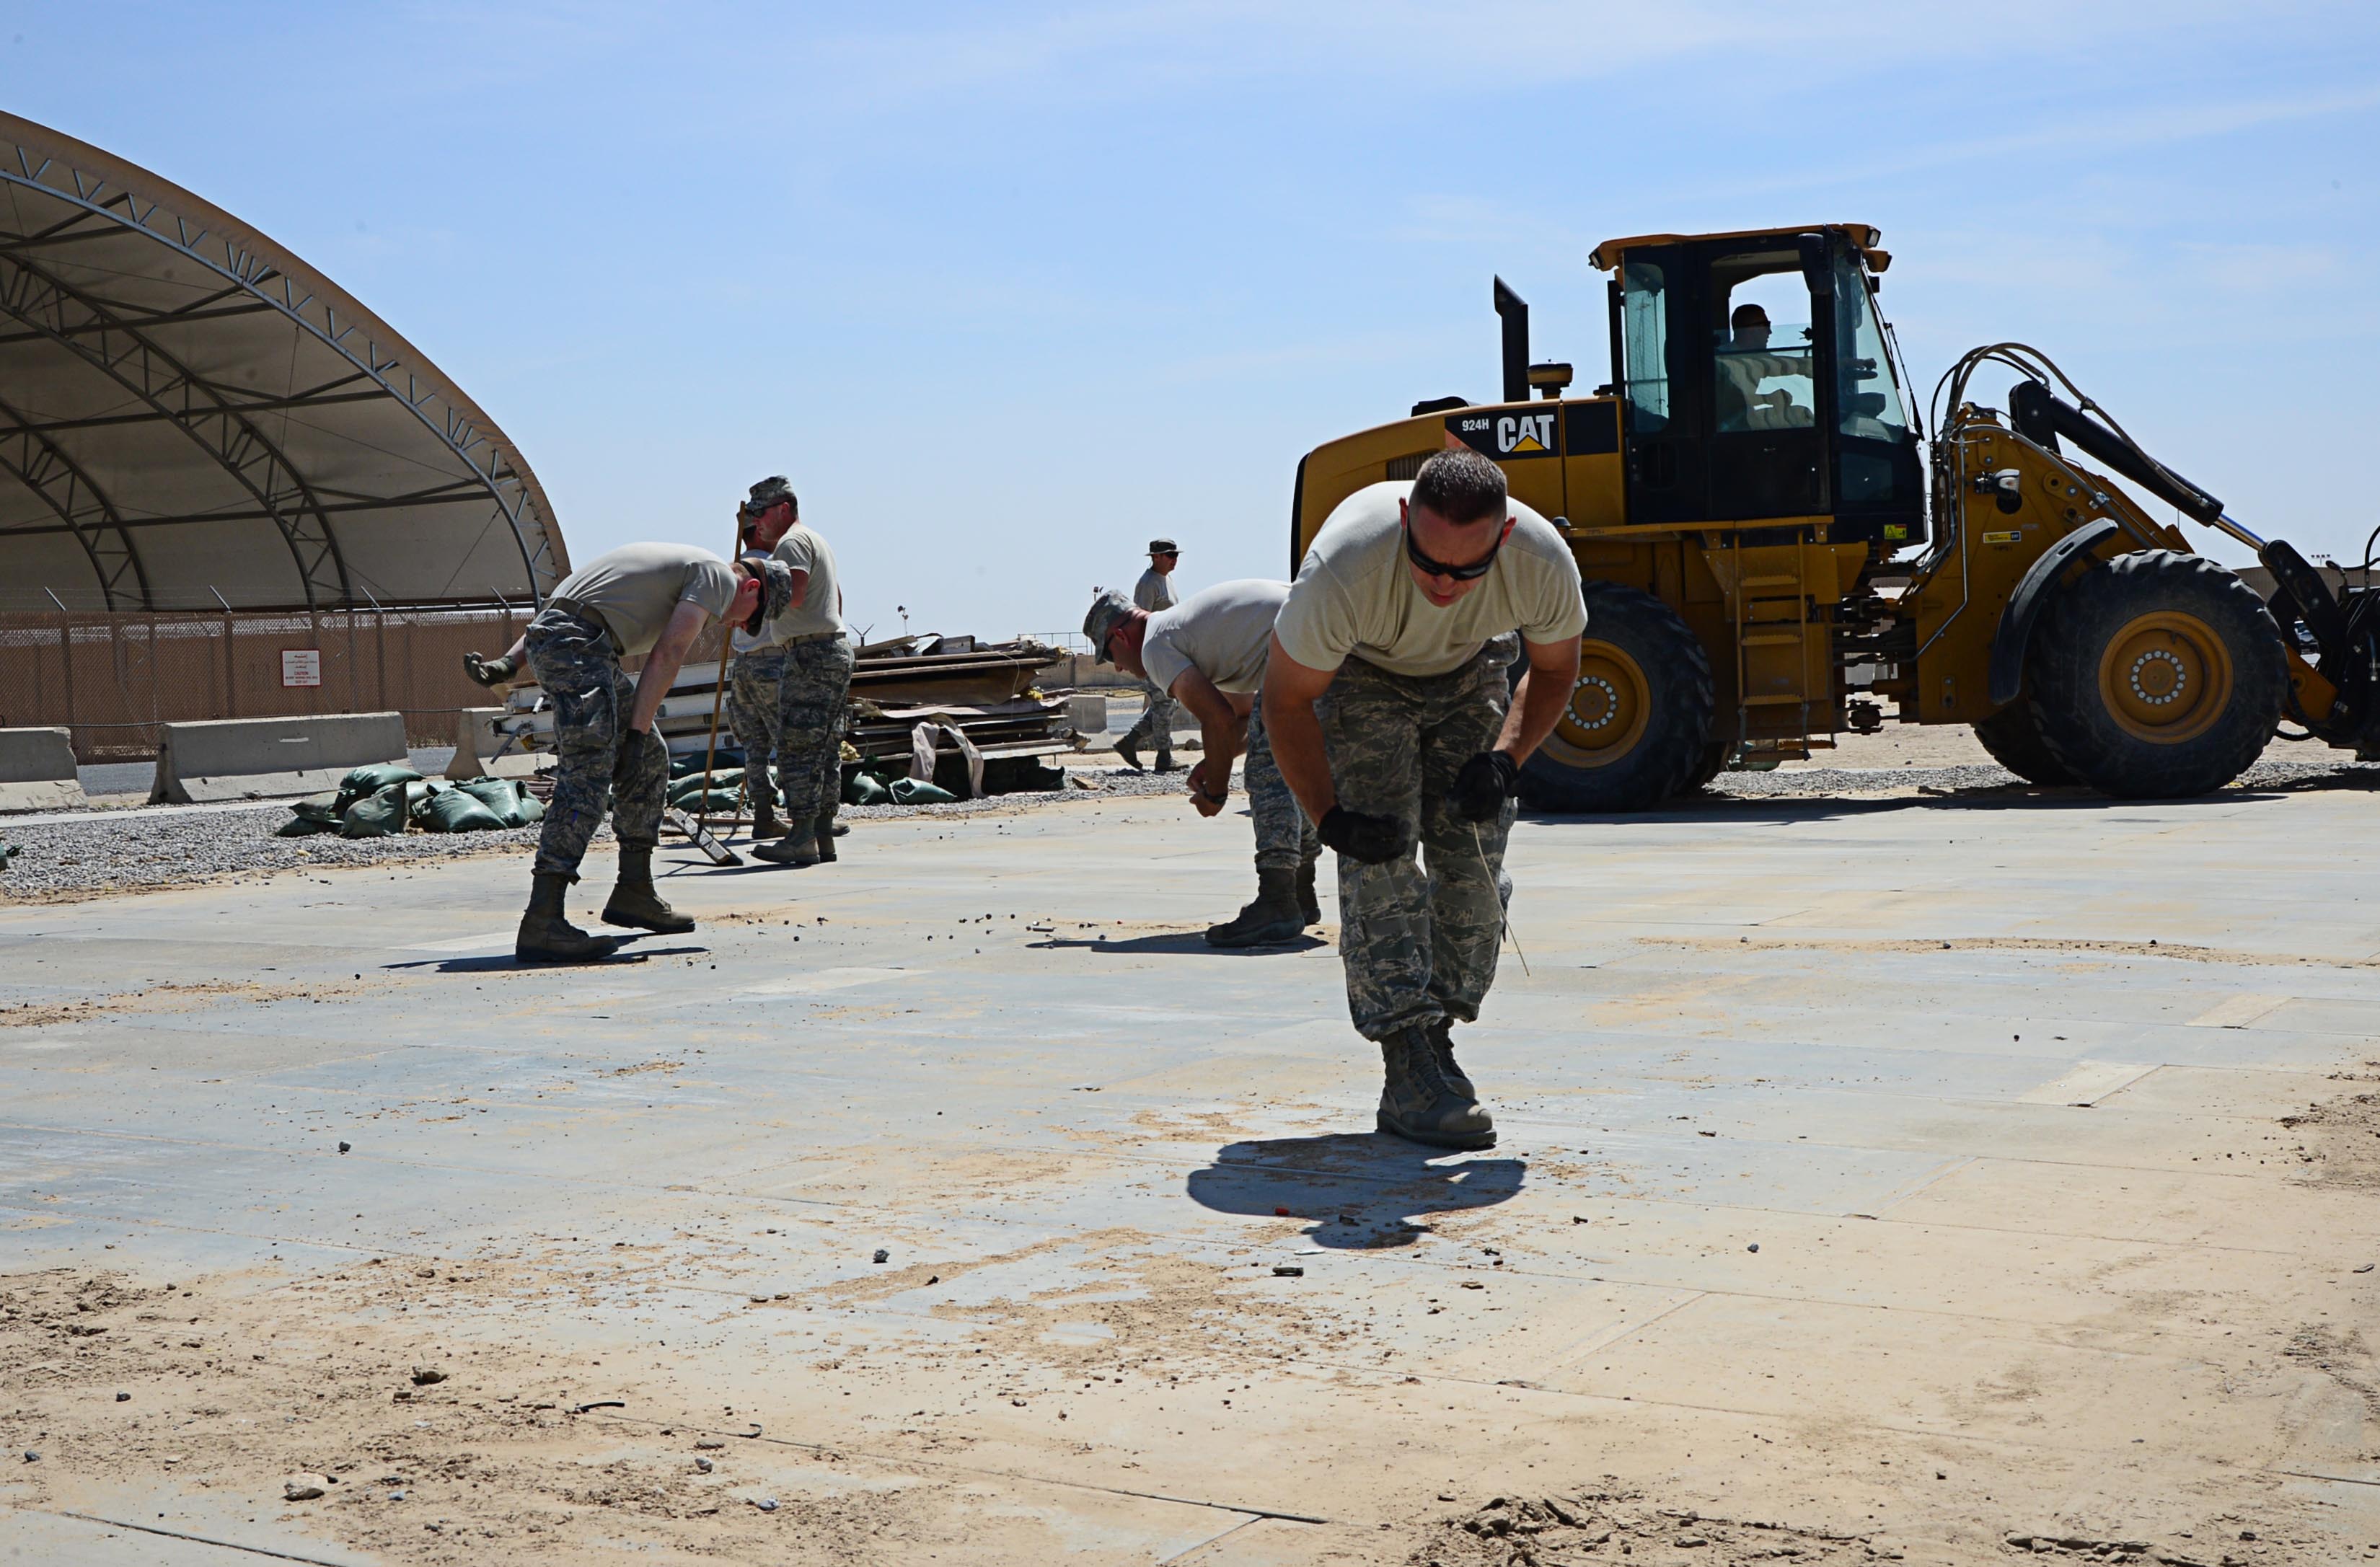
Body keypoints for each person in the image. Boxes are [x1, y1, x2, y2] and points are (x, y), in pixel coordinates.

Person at [1261, 449, 1585, 1150]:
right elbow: (1284, 701)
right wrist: (1330, 819)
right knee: (1377, 847)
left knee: (1471, 851)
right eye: (1428, 561)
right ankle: (1408, 1058)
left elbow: (1557, 669)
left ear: (1500, 539)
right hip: (1365, 672)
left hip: (1472, 668)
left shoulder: (1538, 559)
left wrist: (1505, 761)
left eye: (1467, 570)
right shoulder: (1345, 568)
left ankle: (1437, 1033)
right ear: (1407, 519)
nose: (1444, 583)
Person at [508, 542, 790, 962]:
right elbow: (670, 652)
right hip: (579, 645)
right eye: (752, 620)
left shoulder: (683, 565)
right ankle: (543, 919)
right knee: (588, 771)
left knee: (653, 759)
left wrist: (510, 661)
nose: (740, 627)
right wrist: (634, 734)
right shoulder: (718, 577)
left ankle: (633, 890)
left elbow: (565, 601)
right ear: (751, 588)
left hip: (580, 643)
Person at [1083, 578, 1321, 948]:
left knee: (1267, 776)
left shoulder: (1155, 646)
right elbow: (1240, 717)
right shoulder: (1191, 633)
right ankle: (1299, 893)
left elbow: (1218, 720)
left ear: (1122, 637)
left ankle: (1278, 901)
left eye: (1109, 656)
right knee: (1286, 764)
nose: (1116, 669)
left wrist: (1215, 793)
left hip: (1307, 646)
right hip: (1327, 644)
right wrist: (1216, 761)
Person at [745, 477, 855, 867]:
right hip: (827, 648)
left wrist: (752, 606)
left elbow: (795, 594)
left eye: (761, 512)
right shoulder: (812, 539)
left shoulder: (792, 542)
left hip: (810, 653)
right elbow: (836, 597)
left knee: (797, 746)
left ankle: (801, 837)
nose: (755, 521)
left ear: (784, 509)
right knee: (823, 749)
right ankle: (822, 836)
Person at [724, 478, 805, 843]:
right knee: (789, 740)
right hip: (772, 660)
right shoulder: (774, 564)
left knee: (754, 746)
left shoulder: (734, 569)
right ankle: (805, 817)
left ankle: (763, 813)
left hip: (742, 663)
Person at [1115, 537, 1182, 772]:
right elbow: (1138, 622)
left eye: (1176, 555)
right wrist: (1132, 657)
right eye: (1171, 556)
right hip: (1151, 652)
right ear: (1156, 557)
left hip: (1167, 652)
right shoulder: (1148, 584)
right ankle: (1164, 757)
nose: (1175, 560)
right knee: (1165, 703)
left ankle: (1130, 741)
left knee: (1169, 703)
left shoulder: (1167, 580)